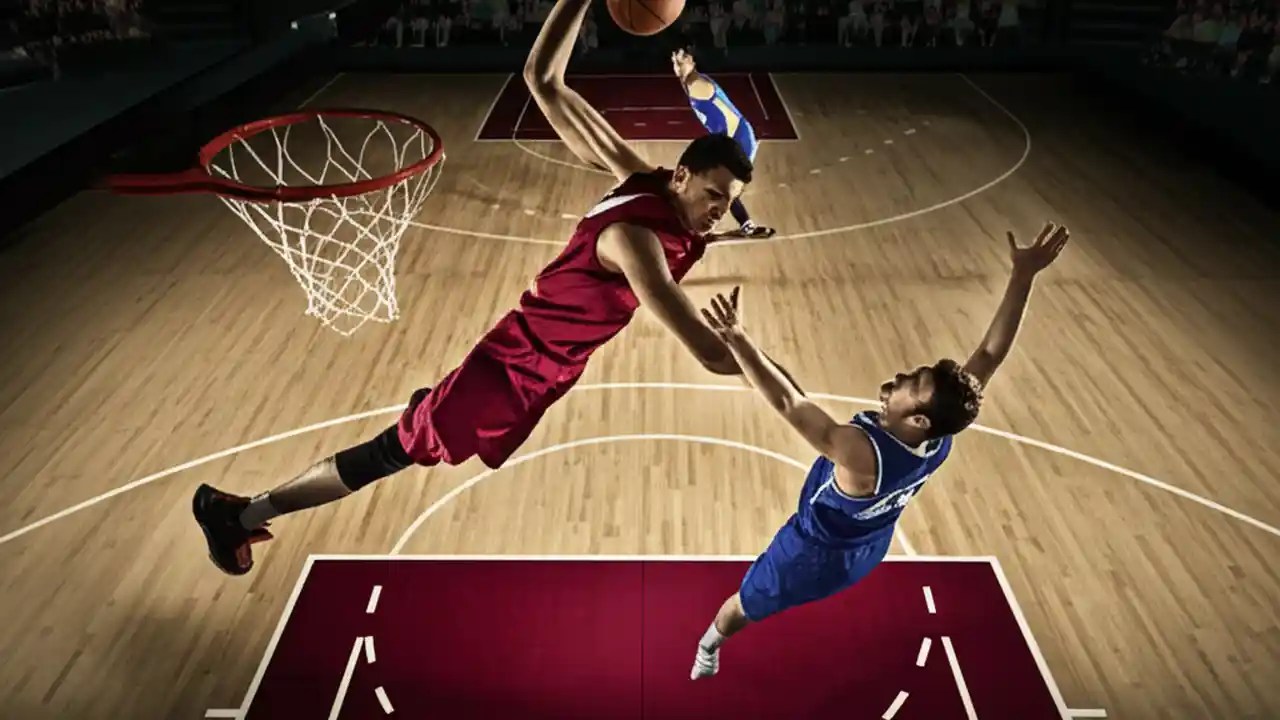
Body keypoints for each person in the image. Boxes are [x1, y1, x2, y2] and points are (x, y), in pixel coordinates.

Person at [191, 0, 797, 576]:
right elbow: (712, 352)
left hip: (545, 366)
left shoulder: (643, 178)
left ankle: (426, 409)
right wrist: (791, 394)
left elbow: (544, 81)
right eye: (714, 196)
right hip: (509, 369)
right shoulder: (636, 241)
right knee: (390, 454)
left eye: (731, 203)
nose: (720, 211)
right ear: (683, 174)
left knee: (419, 432)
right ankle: (240, 515)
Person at [689, 222, 1071, 679]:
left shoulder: (860, 456)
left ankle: (707, 646)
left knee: (744, 603)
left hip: (811, 555)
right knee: (782, 383)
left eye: (914, 385)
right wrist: (1023, 275)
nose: (904, 376)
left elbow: (789, 403)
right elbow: (989, 354)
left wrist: (739, 339)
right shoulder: (939, 434)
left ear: (917, 419)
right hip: (869, 543)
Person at [671, 48, 776, 240]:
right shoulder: (694, 83)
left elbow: (691, 80)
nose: (678, 61)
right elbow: (688, 83)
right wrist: (682, 72)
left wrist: (685, 70)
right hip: (735, 135)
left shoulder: (698, 83)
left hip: (737, 138)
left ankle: (743, 225)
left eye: (683, 58)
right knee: (721, 183)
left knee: (725, 185)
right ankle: (745, 224)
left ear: (694, 61)